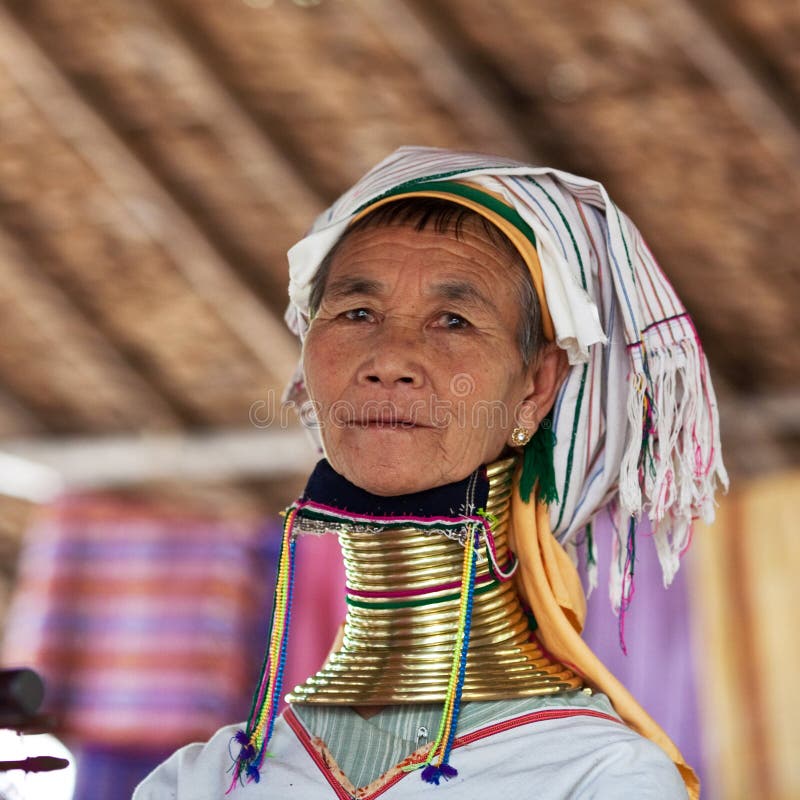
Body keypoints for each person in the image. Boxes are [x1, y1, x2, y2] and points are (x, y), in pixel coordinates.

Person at [133, 147, 727, 799]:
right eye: (357, 313)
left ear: (535, 387)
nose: (390, 360)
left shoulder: (598, 777)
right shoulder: (201, 781)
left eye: (453, 321)